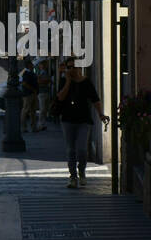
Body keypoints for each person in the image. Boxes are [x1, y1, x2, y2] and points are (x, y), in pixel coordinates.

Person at [57, 60, 109, 188]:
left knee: (81, 149)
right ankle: (73, 177)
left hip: (84, 120)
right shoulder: (64, 81)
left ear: (79, 68)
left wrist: (100, 114)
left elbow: (95, 99)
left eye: (74, 67)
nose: (71, 70)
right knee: (70, 150)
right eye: (69, 67)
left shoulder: (86, 82)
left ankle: (82, 171)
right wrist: (68, 81)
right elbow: (60, 97)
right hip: (67, 120)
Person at [20, 58, 39, 133]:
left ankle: (33, 127)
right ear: (28, 65)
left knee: (33, 111)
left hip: (33, 94)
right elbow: (24, 83)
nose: (33, 65)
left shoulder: (32, 73)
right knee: (25, 110)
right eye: (31, 64)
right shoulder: (26, 73)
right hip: (28, 94)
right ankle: (23, 127)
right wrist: (33, 89)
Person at [36, 61, 50, 131]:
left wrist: (44, 81)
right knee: (42, 109)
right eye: (42, 65)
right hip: (41, 92)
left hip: (46, 92)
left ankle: (43, 124)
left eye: (44, 64)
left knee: (45, 109)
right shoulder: (39, 73)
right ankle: (40, 124)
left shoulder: (45, 72)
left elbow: (47, 81)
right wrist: (44, 81)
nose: (43, 66)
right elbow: (39, 82)